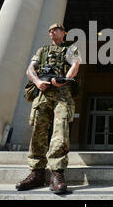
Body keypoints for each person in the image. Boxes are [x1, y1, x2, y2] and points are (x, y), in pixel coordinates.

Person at [16, 23, 80, 194]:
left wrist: (64, 79)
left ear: (64, 33)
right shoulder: (42, 50)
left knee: (60, 131)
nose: (51, 31)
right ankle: (36, 173)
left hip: (62, 93)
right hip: (43, 92)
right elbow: (31, 69)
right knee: (38, 130)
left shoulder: (70, 48)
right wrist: (37, 82)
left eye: (55, 29)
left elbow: (75, 64)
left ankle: (57, 174)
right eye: (50, 30)